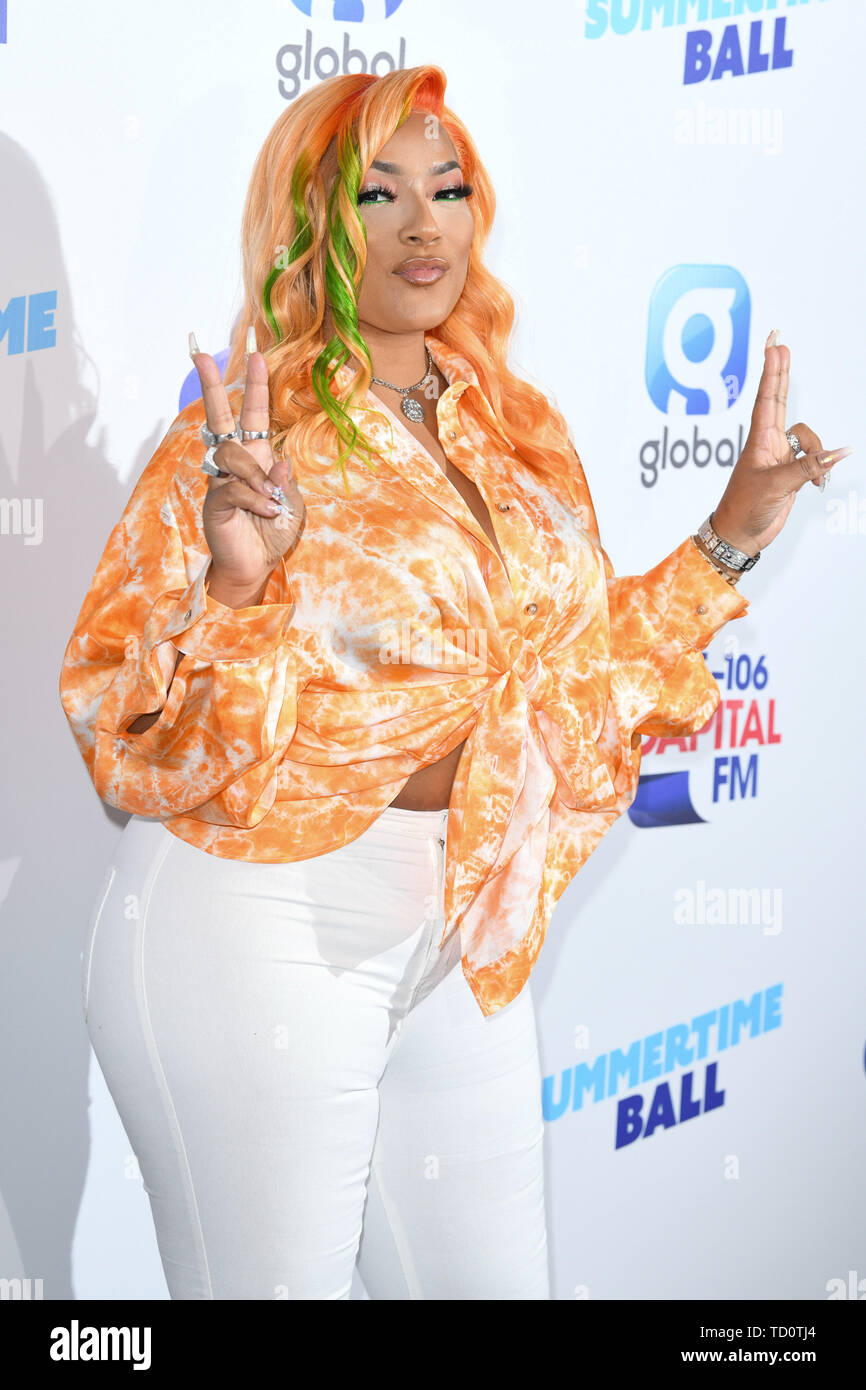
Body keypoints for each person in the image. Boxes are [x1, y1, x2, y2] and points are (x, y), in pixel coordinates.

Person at [58, 65, 851, 1301]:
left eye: (449, 187)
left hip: (463, 923)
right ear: (315, 225)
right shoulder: (247, 439)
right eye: (379, 195)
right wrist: (235, 584)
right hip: (256, 926)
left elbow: (569, 677)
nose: (425, 225)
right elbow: (130, 734)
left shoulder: (510, 419)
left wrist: (734, 527)